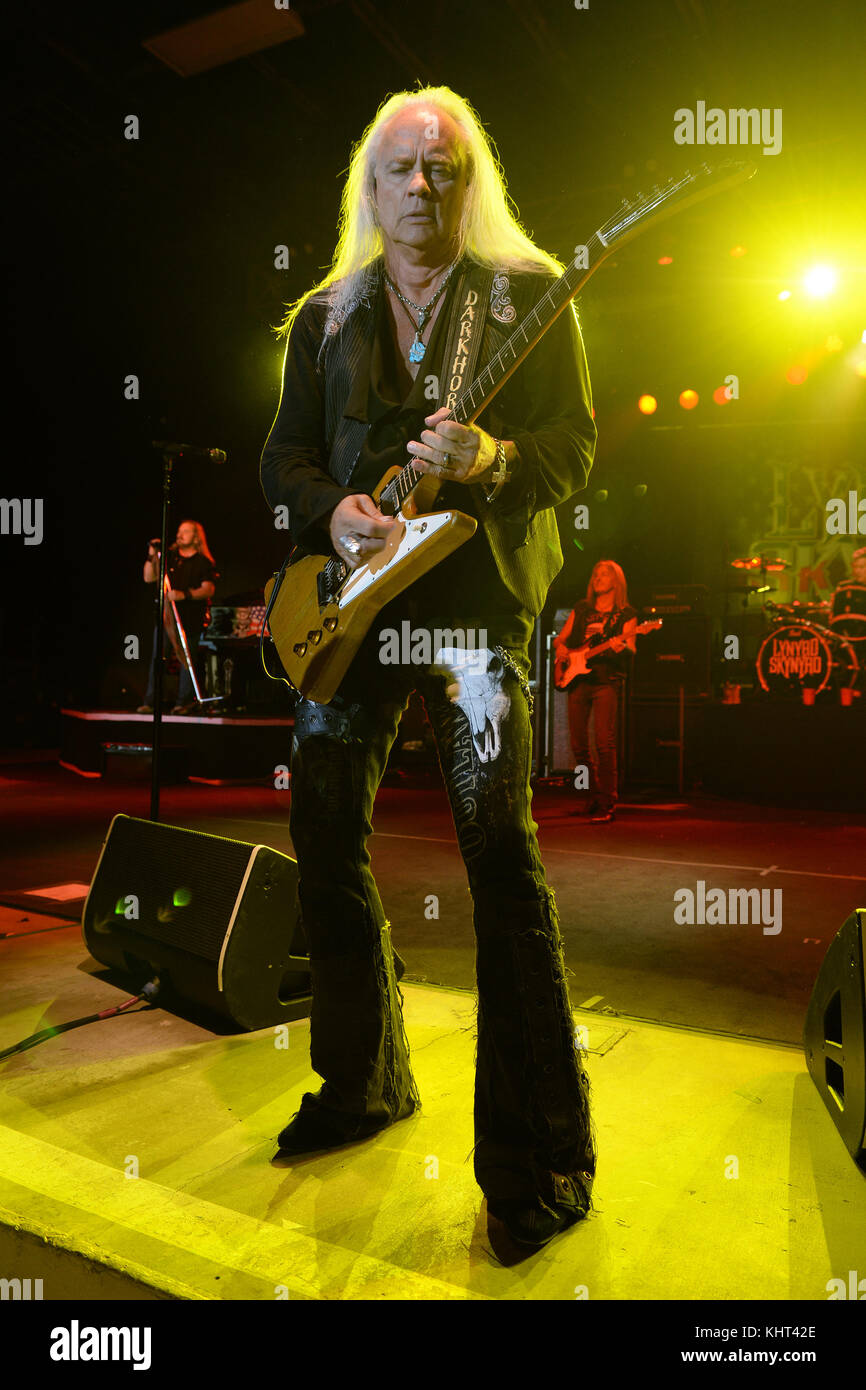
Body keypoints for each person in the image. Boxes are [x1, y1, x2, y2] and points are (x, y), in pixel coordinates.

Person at [260, 86, 597, 1251]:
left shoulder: (529, 296)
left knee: (497, 854)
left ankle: (539, 1152)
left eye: (441, 169)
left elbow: (575, 446)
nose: (420, 186)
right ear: (369, 185)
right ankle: (363, 1080)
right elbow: (282, 459)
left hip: (471, 615)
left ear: (470, 182)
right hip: (355, 614)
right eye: (400, 169)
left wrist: (494, 455)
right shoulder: (325, 314)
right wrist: (331, 511)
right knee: (320, 829)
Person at [554, 560, 637, 823]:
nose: (598, 578)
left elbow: (632, 647)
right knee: (579, 745)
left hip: (605, 682)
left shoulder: (625, 614)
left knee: (604, 742)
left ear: (616, 582)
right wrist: (561, 650)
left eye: (604, 575)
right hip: (578, 681)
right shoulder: (582, 608)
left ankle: (607, 801)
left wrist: (619, 647)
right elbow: (561, 638)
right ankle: (590, 797)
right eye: (596, 574)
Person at [138, 520, 218, 714]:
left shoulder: (203, 562)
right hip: (166, 618)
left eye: (185, 531)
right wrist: (151, 555)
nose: (179, 534)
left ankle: (183, 702)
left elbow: (209, 589)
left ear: (196, 537)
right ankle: (151, 700)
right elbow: (149, 577)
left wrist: (185, 595)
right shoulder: (169, 558)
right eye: (179, 531)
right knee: (158, 657)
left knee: (186, 660)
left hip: (189, 619)